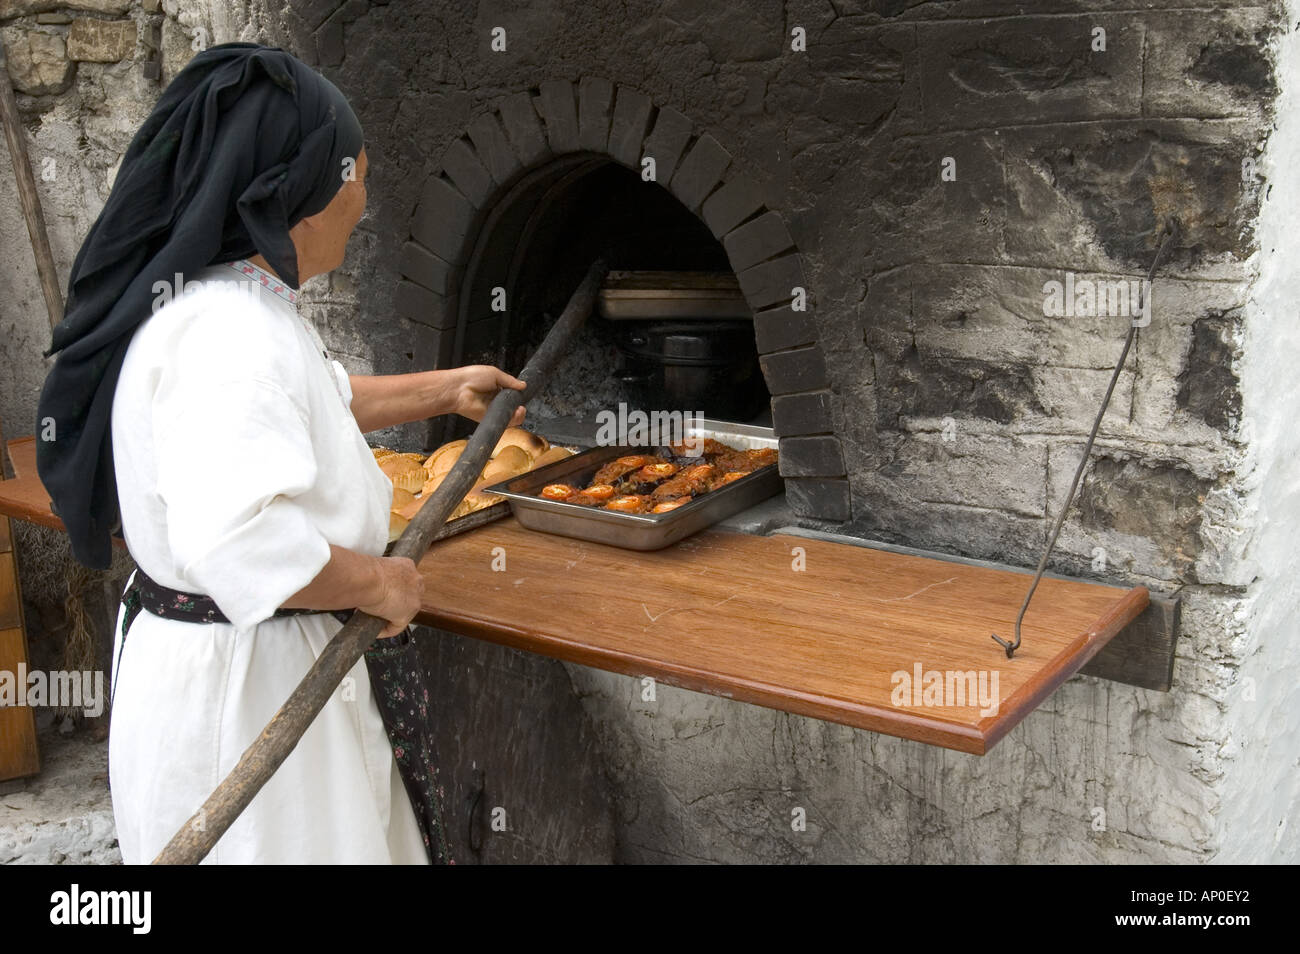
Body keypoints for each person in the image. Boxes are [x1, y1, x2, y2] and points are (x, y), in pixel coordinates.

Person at [35, 43, 525, 863]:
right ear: (297, 192)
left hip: (229, 664)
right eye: (357, 174)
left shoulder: (222, 295)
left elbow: (314, 402)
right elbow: (239, 541)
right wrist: (382, 582)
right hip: (249, 690)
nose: (364, 199)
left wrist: (445, 391)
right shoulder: (229, 337)